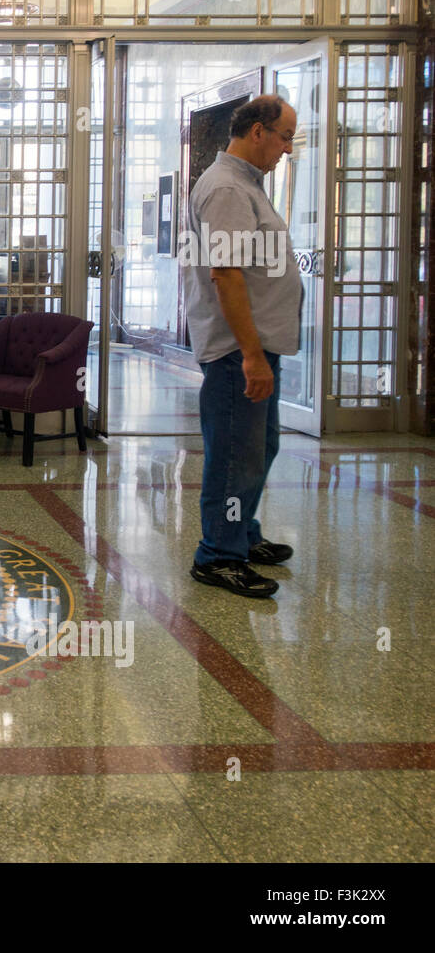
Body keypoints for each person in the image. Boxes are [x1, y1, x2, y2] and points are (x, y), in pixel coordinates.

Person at [182, 95, 303, 598]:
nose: (287, 149)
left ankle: (240, 533)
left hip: (253, 345)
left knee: (258, 449)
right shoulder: (228, 188)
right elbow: (226, 274)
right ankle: (218, 555)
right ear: (257, 131)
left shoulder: (244, 185)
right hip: (238, 350)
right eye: (284, 138)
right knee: (236, 456)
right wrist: (252, 355)